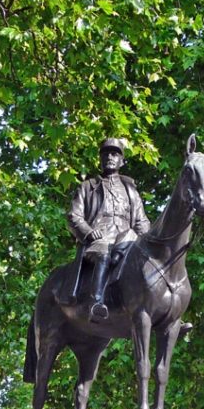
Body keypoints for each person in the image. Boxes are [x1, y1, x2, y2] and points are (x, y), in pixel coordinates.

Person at [65, 137, 151, 320]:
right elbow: (73, 216)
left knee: (152, 264)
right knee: (103, 252)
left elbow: (141, 222)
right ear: (100, 159)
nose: (110, 157)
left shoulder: (130, 190)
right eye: (105, 154)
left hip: (126, 241)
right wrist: (88, 232)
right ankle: (96, 303)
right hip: (99, 240)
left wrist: (150, 244)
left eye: (114, 154)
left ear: (122, 161)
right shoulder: (88, 187)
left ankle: (165, 313)